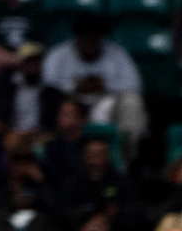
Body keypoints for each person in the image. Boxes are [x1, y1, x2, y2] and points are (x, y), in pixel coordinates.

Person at [41, 16, 146, 158]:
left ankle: (125, 161)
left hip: (107, 105)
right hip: (70, 104)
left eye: (94, 36)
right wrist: (75, 87)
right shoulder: (59, 55)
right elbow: (48, 85)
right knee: (52, 100)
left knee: (132, 103)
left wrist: (104, 86)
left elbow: (134, 87)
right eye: (85, 36)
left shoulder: (117, 54)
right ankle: (59, 157)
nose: (89, 40)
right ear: (77, 37)